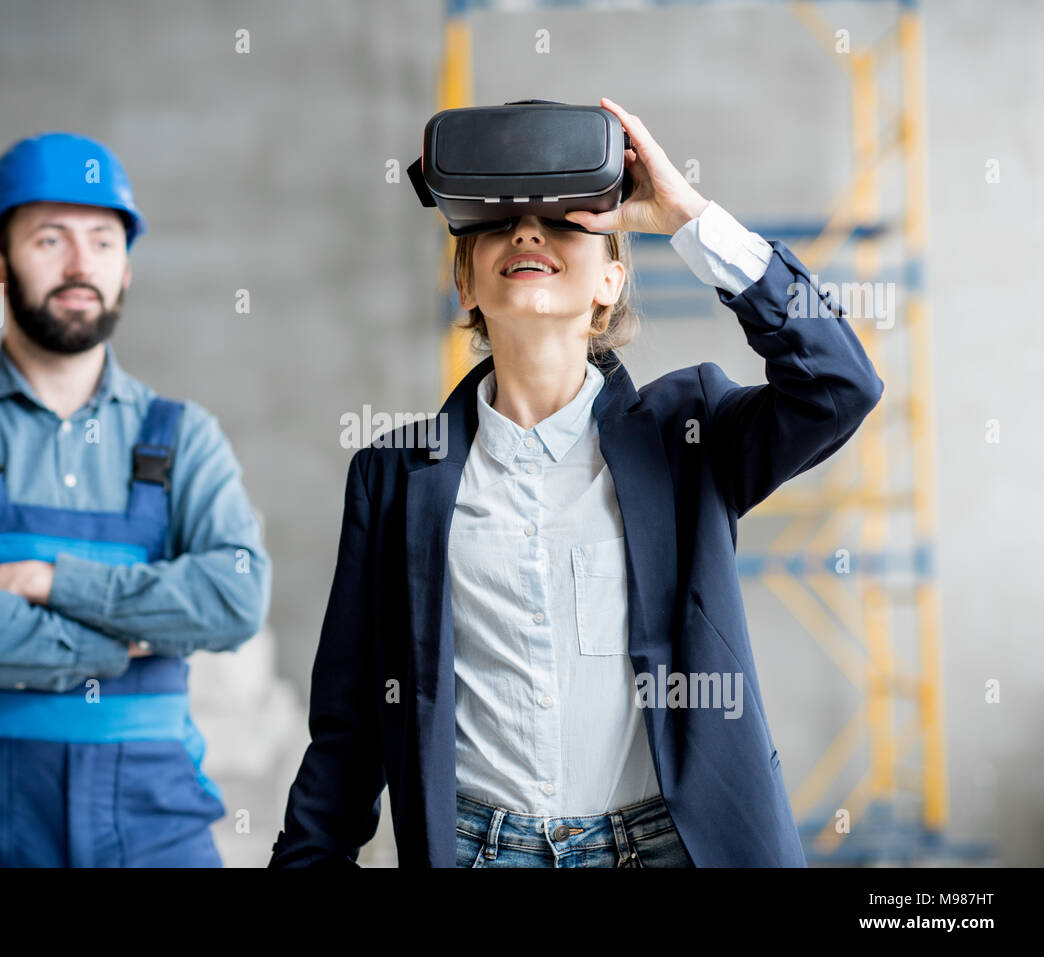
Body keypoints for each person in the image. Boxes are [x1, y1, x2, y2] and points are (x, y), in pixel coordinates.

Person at [269, 98, 883, 867]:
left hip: (665, 848)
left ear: (612, 279)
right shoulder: (392, 476)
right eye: (497, 223)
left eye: (565, 221)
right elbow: (349, 729)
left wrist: (687, 218)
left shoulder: (687, 437)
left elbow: (839, 384)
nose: (527, 231)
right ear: (466, 285)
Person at [0, 131, 271, 866]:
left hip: (156, 825)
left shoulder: (184, 437)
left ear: (126, 272)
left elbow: (236, 598)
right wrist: (130, 635)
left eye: (103, 240)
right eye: (49, 240)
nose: (81, 264)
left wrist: (50, 582)